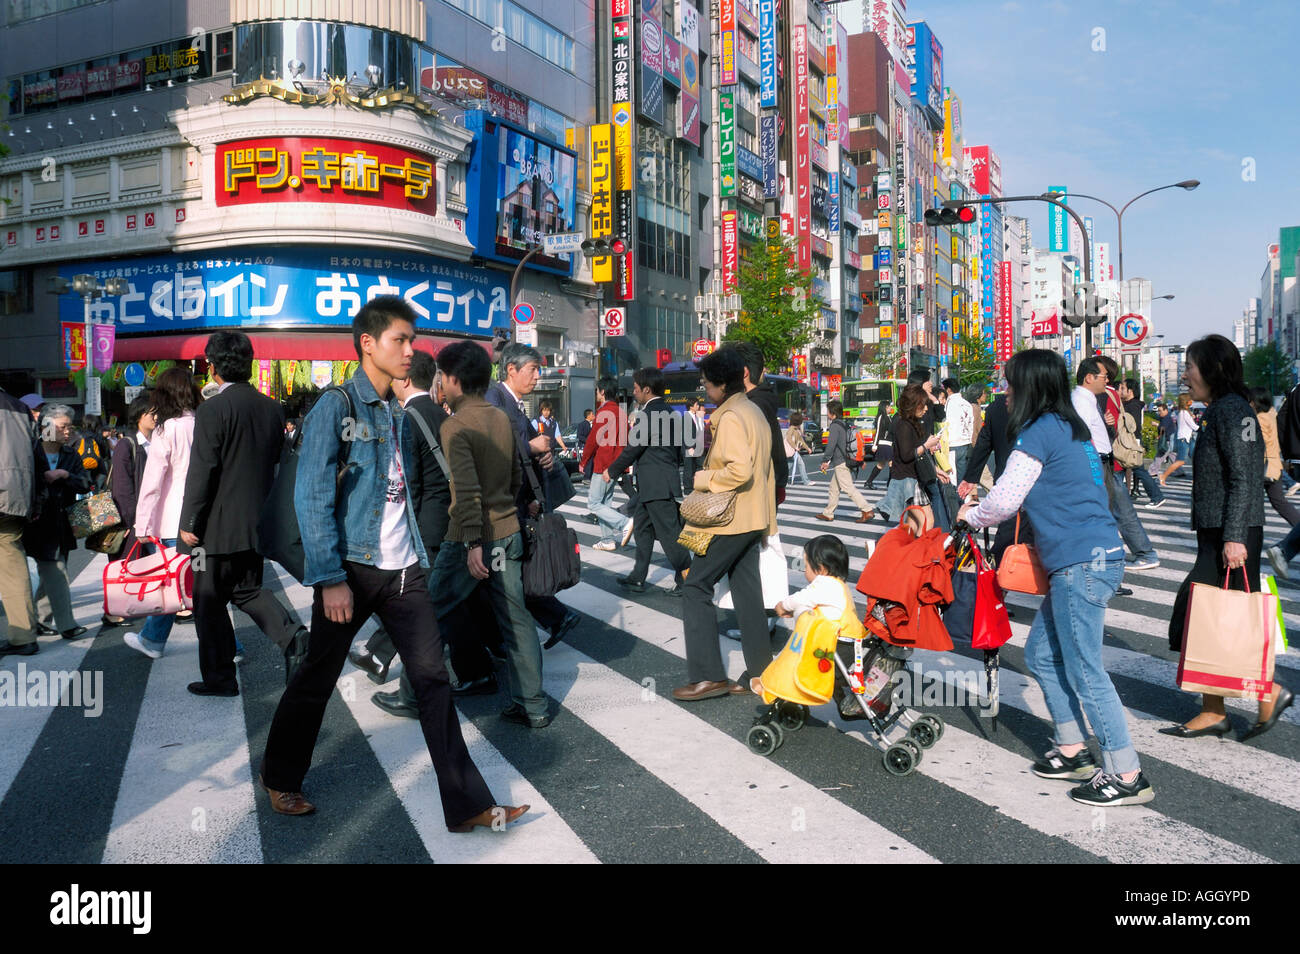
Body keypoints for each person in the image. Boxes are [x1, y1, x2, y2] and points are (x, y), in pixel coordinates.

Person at [260, 301, 528, 830]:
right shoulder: (335, 409)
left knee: (432, 681)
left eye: (412, 341)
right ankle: (281, 776)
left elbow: (411, 494)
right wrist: (331, 578)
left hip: (404, 572)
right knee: (318, 674)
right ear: (368, 343)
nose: (412, 351)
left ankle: (467, 805)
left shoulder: (400, 417)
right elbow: (311, 498)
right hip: (353, 572)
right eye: (401, 341)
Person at [958, 348, 1153, 806]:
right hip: (1091, 557)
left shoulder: (1039, 432)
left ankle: (1126, 774)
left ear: (1027, 386)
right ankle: (1071, 749)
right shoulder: (1072, 429)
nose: (1004, 392)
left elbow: (1005, 500)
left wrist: (972, 517)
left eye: (1009, 384)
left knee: (1086, 669)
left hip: (1079, 562)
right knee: (1044, 656)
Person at [1164, 336, 1292, 741]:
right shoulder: (1222, 409)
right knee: (1206, 618)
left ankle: (1268, 690)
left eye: (1191, 366)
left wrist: (1235, 537)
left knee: (1217, 618)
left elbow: (1244, 478)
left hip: (1232, 533)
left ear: (1214, 370)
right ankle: (1214, 710)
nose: (1185, 375)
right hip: (1221, 531)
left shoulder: (1233, 411)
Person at [365, 350, 507, 713]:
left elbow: (409, 482)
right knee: (454, 604)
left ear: (406, 378)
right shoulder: (442, 413)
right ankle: (480, 669)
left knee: (427, 610)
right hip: (461, 519)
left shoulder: (409, 416)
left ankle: (414, 692)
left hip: (432, 527)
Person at [179, 331, 310, 696]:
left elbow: (202, 470)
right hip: (257, 521)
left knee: (208, 603)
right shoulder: (270, 407)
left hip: (215, 529)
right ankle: (292, 635)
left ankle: (219, 678)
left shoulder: (212, 410)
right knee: (248, 590)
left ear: (214, 365)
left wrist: (190, 523)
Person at [434, 338, 553, 728]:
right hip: (509, 529)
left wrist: (471, 544)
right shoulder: (501, 417)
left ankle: (412, 694)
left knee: (432, 610)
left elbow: (465, 492)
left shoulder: (455, 425)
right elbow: (517, 472)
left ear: (453, 380)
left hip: (473, 536)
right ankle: (533, 704)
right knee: (515, 619)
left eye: (441, 377)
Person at [673, 345, 777, 701]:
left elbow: (741, 470)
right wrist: (769, 524)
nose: (704, 389)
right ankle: (762, 673)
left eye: (706, 383)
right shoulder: (754, 411)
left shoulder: (731, 418)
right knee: (748, 594)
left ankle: (708, 677)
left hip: (731, 520)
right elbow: (768, 474)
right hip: (753, 517)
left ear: (719, 384)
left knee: (696, 586)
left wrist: (703, 479)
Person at [486, 343, 581, 647]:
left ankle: (509, 644)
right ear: (510, 369)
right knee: (502, 580)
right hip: (501, 505)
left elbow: (522, 450)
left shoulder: (512, 403)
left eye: (538, 369)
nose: (537, 376)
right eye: (532, 369)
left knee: (505, 580)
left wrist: (543, 455)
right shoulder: (495, 399)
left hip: (515, 506)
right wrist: (532, 448)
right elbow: (494, 449)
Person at [122, 369, 205, 659]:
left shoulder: (166, 429)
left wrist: (142, 523)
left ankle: (153, 641)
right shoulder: (203, 423)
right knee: (196, 587)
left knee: (175, 586)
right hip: (203, 517)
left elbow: (152, 483)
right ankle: (153, 640)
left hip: (173, 520)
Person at [607, 367, 692, 595]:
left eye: (636, 388)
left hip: (656, 485)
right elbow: (677, 450)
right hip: (658, 482)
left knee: (669, 534)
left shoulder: (648, 414)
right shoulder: (671, 412)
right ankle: (637, 577)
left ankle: (689, 578)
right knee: (642, 530)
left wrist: (612, 470)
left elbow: (634, 447)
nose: (633, 392)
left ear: (646, 389)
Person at [1072, 358, 1159, 571]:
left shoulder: (1091, 397)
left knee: (1113, 511)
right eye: (1105, 377)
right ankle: (1120, 559)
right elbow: (1083, 436)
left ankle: (1119, 559)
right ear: (1089, 377)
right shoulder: (1082, 400)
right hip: (1097, 463)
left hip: (1104, 462)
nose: (1108, 381)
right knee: (1111, 512)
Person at [25, 404, 91, 641]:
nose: (67, 432)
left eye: (69, 427)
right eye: (63, 427)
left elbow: (85, 483)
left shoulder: (70, 454)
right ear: (46, 427)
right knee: (57, 570)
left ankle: (40, 621)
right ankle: (67, 625)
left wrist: (65, 475)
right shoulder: (30, 451)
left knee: (50, 571)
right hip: (37, 521)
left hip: (63, 522)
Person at [101, 392, 155, 630]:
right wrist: (130, 521)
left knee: (143, 563)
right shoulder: (127, 444)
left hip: (147, 516)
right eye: (152, 413)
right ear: (140, 416)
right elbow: (122, 489)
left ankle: (145, 605)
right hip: (130, 518)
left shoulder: (154, 442)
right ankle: (112, 611)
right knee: (122, 564)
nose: (156, 417)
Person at [0, 386, 39, 657]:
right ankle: (23, 635)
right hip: (16, 495)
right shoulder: (20, 407)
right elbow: (36, 456)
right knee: (12, 564)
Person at [581, 377, 633, 552]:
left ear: (602, 392)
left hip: (603, 464)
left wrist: (583, 461)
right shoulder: (621, 413)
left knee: (594, 503)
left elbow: (592, 441)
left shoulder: (603, 412)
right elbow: (626, 440)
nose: (596, 394)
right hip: (617, 465)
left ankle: (625, 522)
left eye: (597, 391)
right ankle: (607, 540)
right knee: (605, 502)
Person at [736, 342, 789, 506]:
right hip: (768, 484)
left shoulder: (752, 405)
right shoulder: (761, 400)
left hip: (755, 490)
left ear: (744, 372)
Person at [817, 400, 873, 523]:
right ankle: (828, 513)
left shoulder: (835, 426)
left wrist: (825, 460)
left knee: (848, 488)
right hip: (846, 459)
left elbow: (831, 445)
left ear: (832, 413)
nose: (827, 414)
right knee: (833, 488)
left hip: (841, 462)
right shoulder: (844, 424)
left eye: (828, 412)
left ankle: (867, 509)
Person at [1251, 388, 1300, 527]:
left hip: (1260, 466)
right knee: (1280, 502)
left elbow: (1255, 443)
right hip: (1275, 466)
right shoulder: (1272, 413)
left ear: (1254, 403)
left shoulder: (1256, 419)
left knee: (1249, 504)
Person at [1117, 379, 1166, 509]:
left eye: (1123, 388)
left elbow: (1134, 426)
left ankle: (1156, 496)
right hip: (1129, 443)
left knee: (1139, 471)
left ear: (1130, 391)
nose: (1120, 391)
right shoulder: (1130, 404)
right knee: (1119, 472)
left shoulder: (1132, 406)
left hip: (1131, 443)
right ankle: (1119, 499)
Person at [1160, 394, 1198, 485]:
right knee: (1181, 461)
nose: (1192, 401)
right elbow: (1194, 427)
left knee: (1195, 458)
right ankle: (1163, 476)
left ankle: (1196, 479)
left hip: (1188, 439)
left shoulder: (1184, 412)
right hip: (1183, 439)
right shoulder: (1184, 413)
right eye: (1190, 400)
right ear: (1186, 402)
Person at [943, 377, 974, 482]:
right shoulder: (967, 404)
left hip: (953, 443)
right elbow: (971, 423)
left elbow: (946, 422)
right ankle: (962, 497)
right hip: (966, 442)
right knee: (962, 474)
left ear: (948, 390)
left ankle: (954, 497)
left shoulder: (950, 402)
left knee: (952, 476)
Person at [864, 402, 894, 490]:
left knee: (881, 464)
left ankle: (869, 481)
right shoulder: (881, 417)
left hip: (888, 443)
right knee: (890, 463)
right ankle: (890, 484)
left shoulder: (889, 417)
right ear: (885, 407)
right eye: (889, 407)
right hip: (883, 443)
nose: (890, 408)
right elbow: (878, 431)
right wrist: (874, 445)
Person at [682, 397, 709, 489]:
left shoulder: (696, 417)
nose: (698, 406)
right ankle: (688, 489)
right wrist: (690, 447)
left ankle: (698, 486)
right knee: (689, 468)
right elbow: (686, 433)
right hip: (690, 447)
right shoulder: (686, 417)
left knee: (700, 466)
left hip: (698, 447)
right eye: (696, 404)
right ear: (691, 406)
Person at [783, 410, 812, 485]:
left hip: (791, 451)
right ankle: (806, 481)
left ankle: (780, 480)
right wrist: (795, 447)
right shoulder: (792, 429)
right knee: (801, 464)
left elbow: (801, 441)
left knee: (788, 466)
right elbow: (789, 438)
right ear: (799, 421)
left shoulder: (797, 430)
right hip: (792, 451)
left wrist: (807, 448)